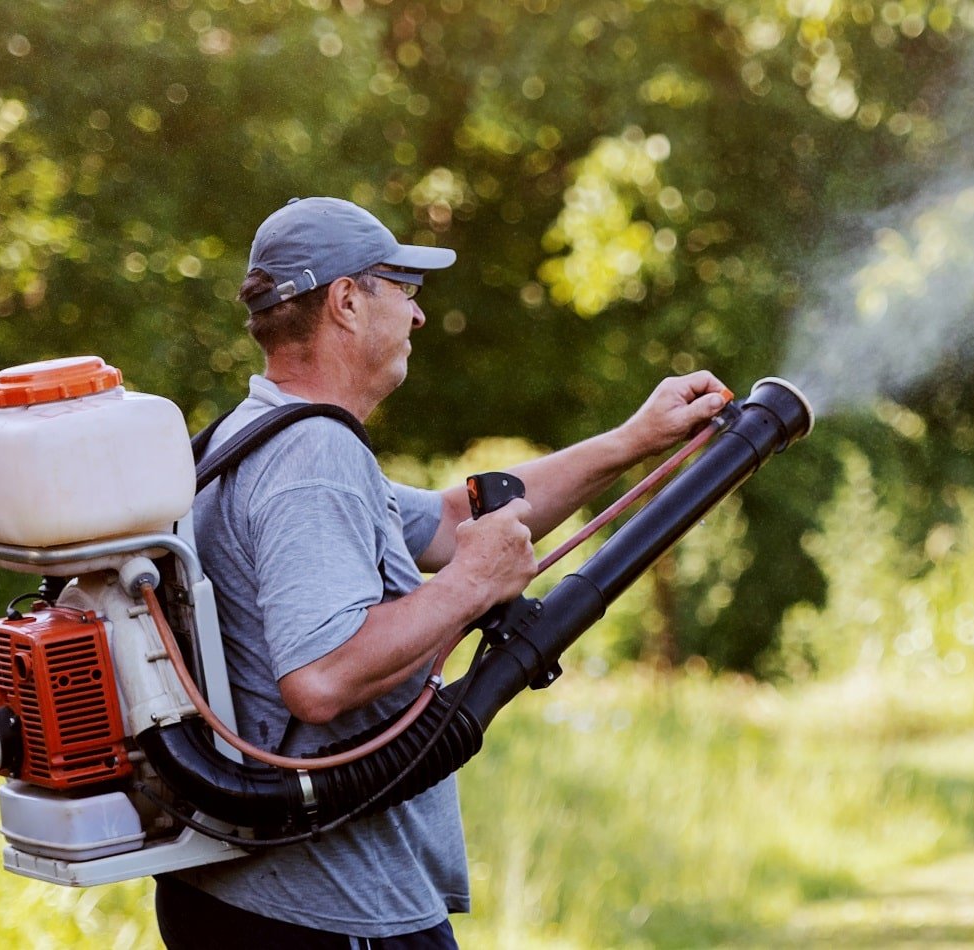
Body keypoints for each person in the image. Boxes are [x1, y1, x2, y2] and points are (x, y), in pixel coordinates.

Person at [153, 196, 729, 948]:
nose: (418, 317)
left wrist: (633, 440)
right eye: (404, 290)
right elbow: (321, 676)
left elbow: (455, 522)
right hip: (328, 912)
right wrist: (469, 588)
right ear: (348, 302)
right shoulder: (312, 461)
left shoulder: (250, 435)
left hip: (240, 899)